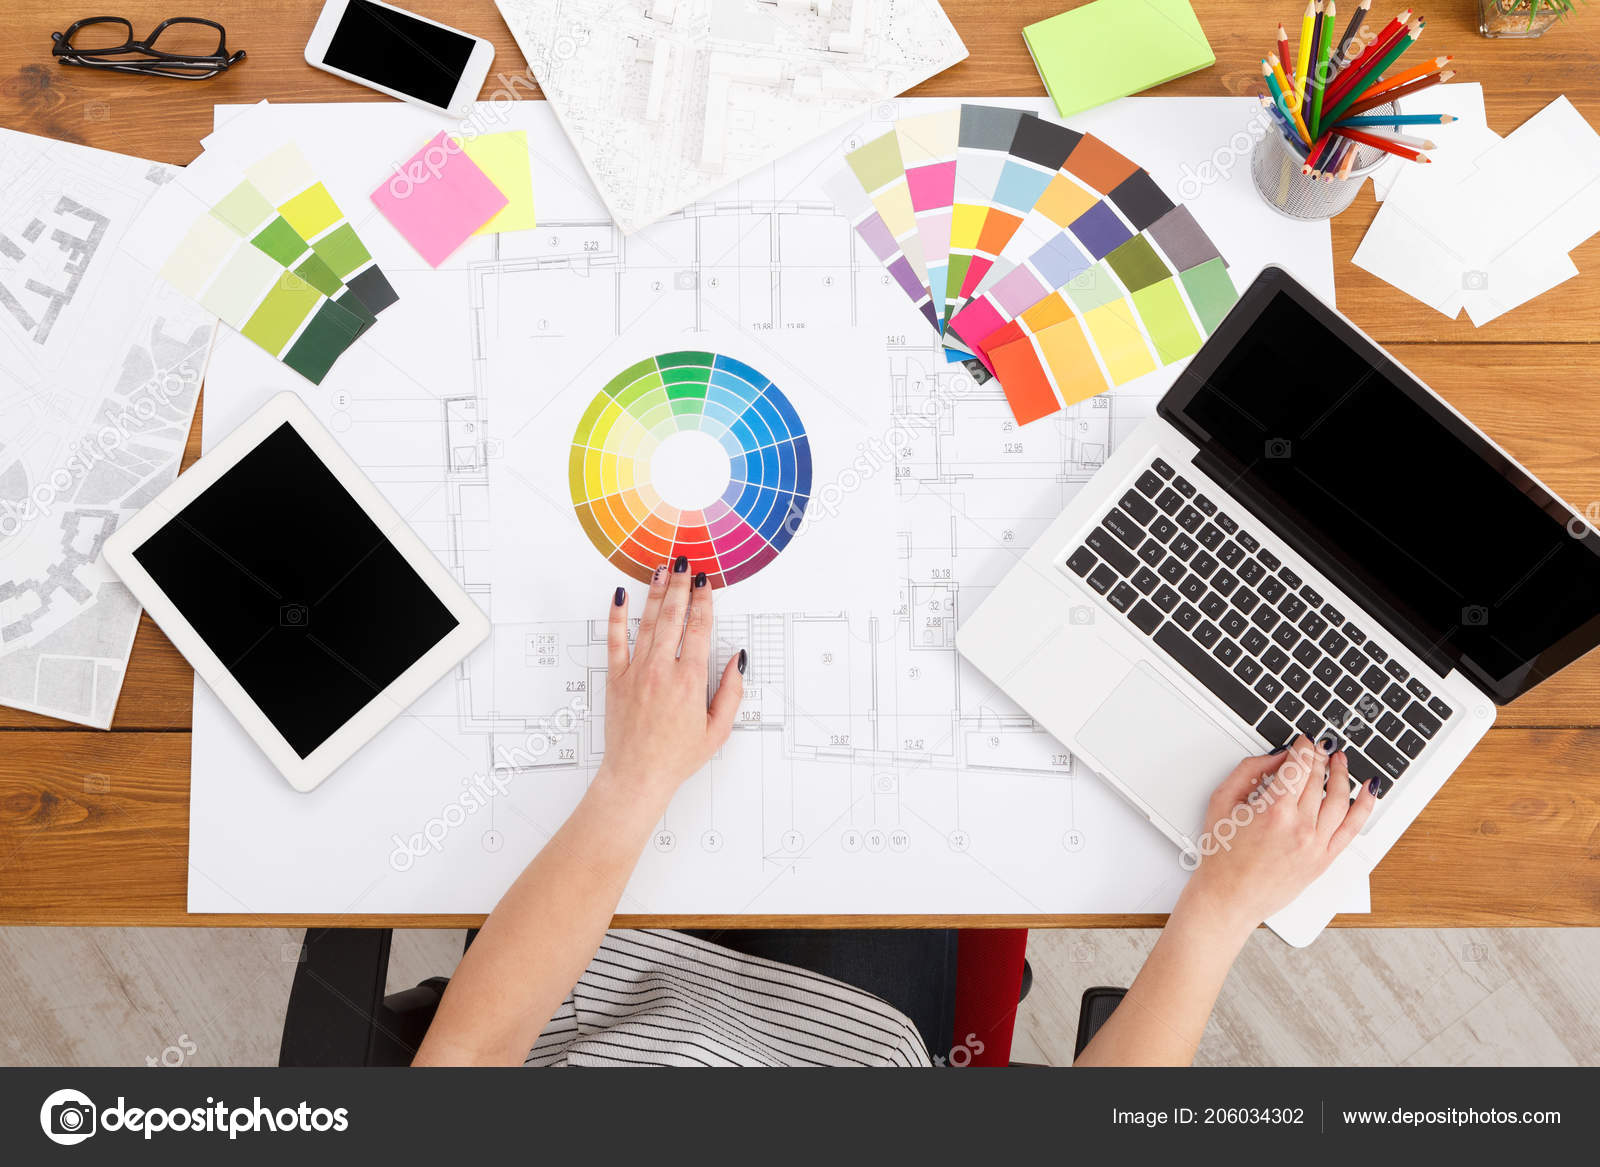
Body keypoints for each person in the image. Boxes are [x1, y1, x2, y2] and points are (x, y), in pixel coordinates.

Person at [413, 558, 1378, 1068]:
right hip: (844, 1032)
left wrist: (632, 781)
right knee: (926, 732)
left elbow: (466, 1055)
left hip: (583, 1001)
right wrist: (1223, 902)